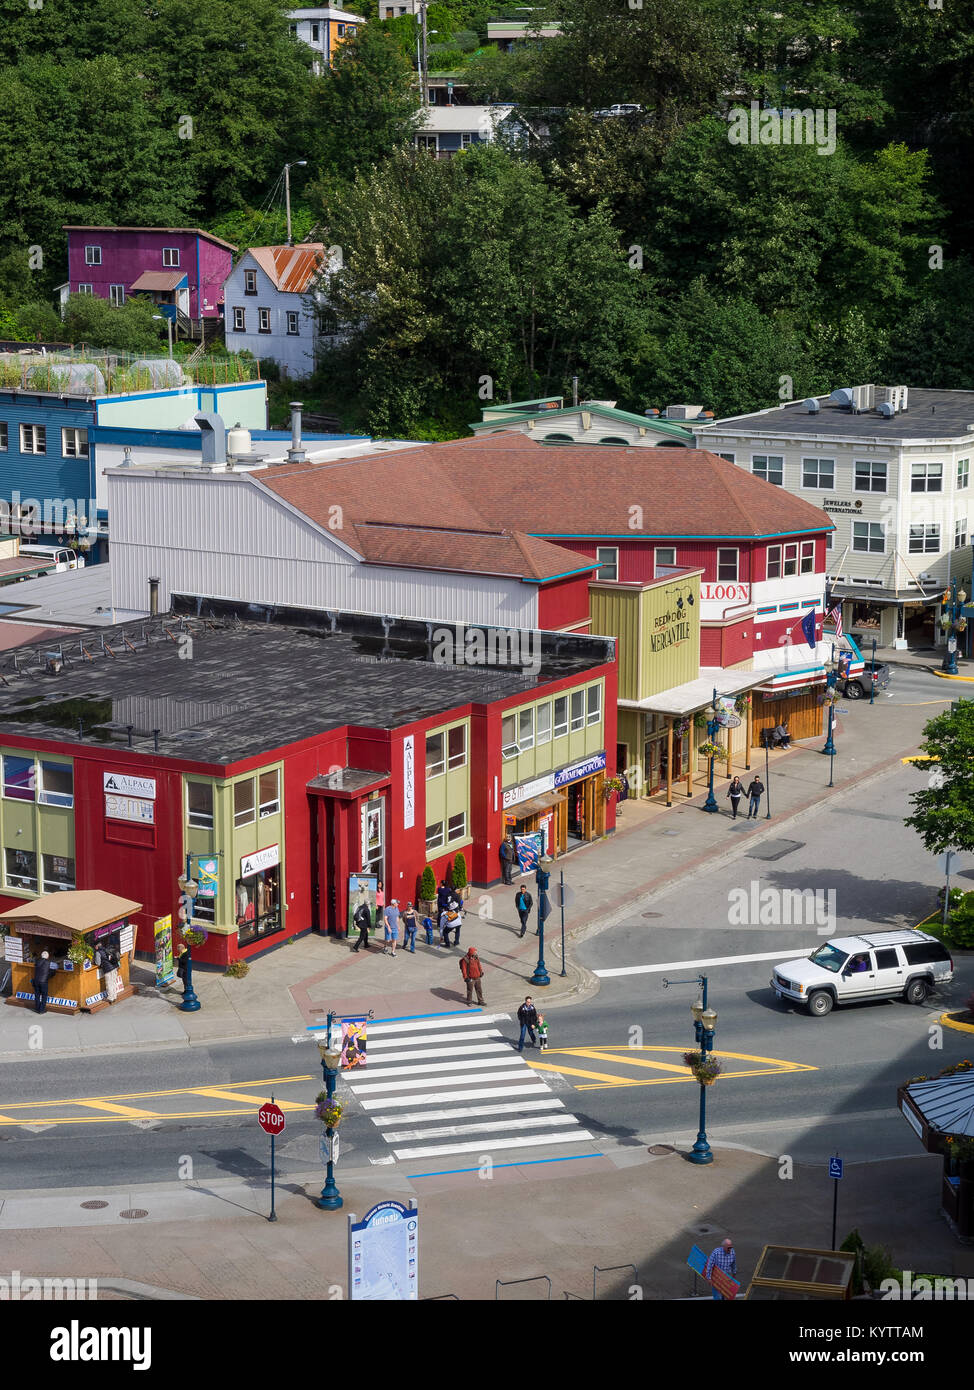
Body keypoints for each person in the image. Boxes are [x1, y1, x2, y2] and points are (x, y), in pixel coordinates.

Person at [32, 950, 56, 1014]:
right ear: (48, 957)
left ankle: (37, 1008)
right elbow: (55, 969)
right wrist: (50, 976)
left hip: (36, 981)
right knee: (44, 996)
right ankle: (41, 1010)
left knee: (37, 995)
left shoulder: (37, 961)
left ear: (41, 956)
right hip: (43, 982)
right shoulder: (50, 963)